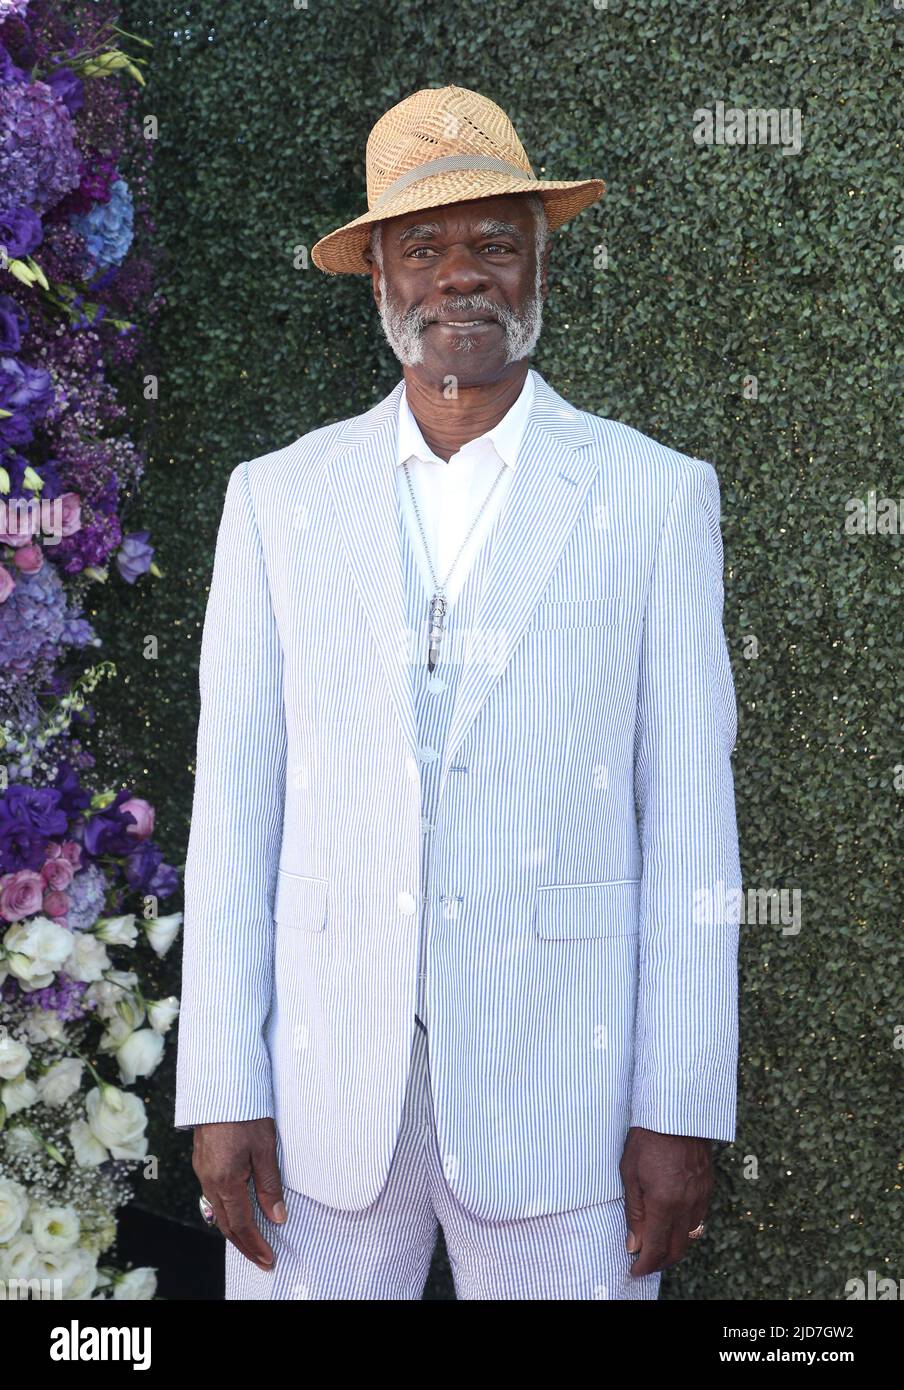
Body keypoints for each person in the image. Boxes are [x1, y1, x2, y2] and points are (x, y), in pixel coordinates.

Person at [175, 84, 742, 1301]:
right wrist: (220, 1082)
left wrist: (680, 1104)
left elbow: (693, 818)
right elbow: (233, 814)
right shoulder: (276, 499)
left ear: (540, 259)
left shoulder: (653, 495)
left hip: (568, 1108)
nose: (459, 276)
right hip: (323, 1111)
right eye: (422, 246)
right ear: (376, 274)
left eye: (493, 241)